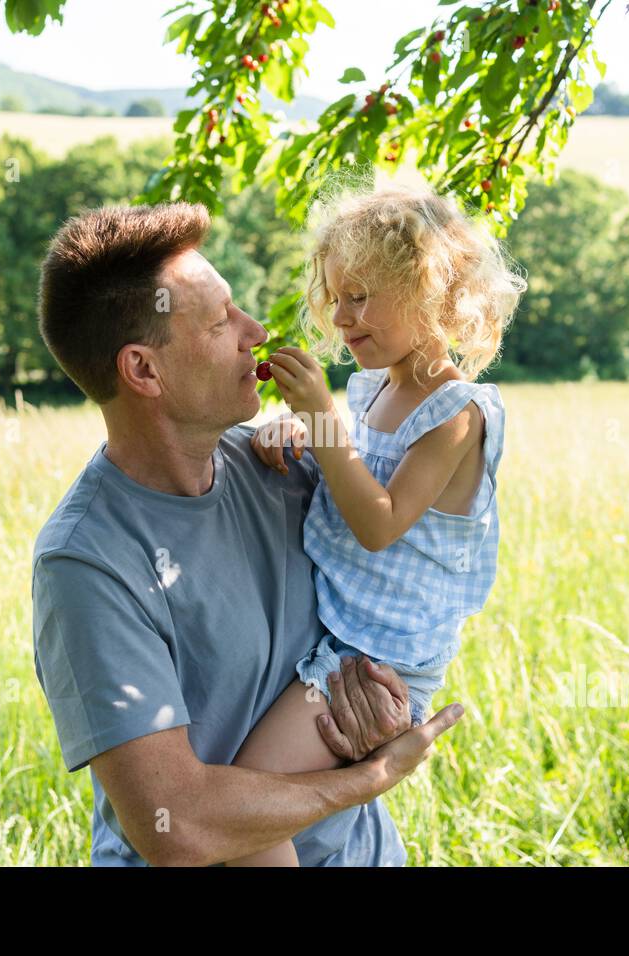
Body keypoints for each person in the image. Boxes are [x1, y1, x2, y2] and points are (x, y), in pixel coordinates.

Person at [30, 201, 465, 866]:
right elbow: (180, 828)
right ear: (143, 370)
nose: (255, 332)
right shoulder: (88, 566)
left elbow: (400, 606)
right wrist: (368, 779)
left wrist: (386, 717)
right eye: (218, 322)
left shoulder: (286, 466)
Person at [228, 184, 525, 866]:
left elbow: (379, 523)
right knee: (260, 807)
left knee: (248, 807)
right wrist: (299, 434)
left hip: (378, 660)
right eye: (335, 297)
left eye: (360, 296)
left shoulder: (455, 413)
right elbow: (351, 472)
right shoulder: (378, 390)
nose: (340, 316)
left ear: (431, 293)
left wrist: (322, 422)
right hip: (345, 632)